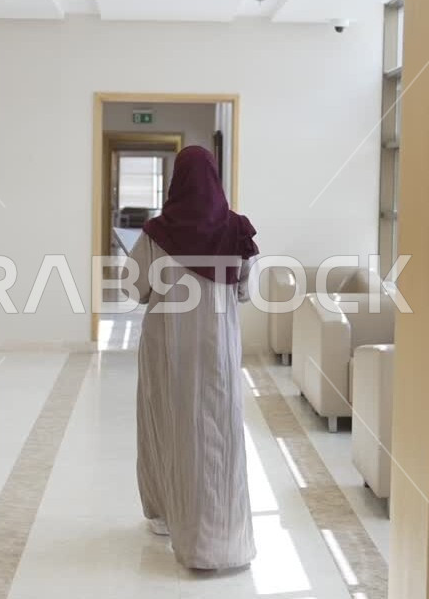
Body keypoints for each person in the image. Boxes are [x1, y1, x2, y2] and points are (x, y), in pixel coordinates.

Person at [132, 145, 259, 570]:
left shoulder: (156, 233)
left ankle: (165, 515)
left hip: (165, 346)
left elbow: (135, 289)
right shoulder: (238, 230)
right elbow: (244, 291)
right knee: (216, 432)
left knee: (166, 422)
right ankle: (219, 533)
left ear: (177, 180)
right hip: (217, 346)